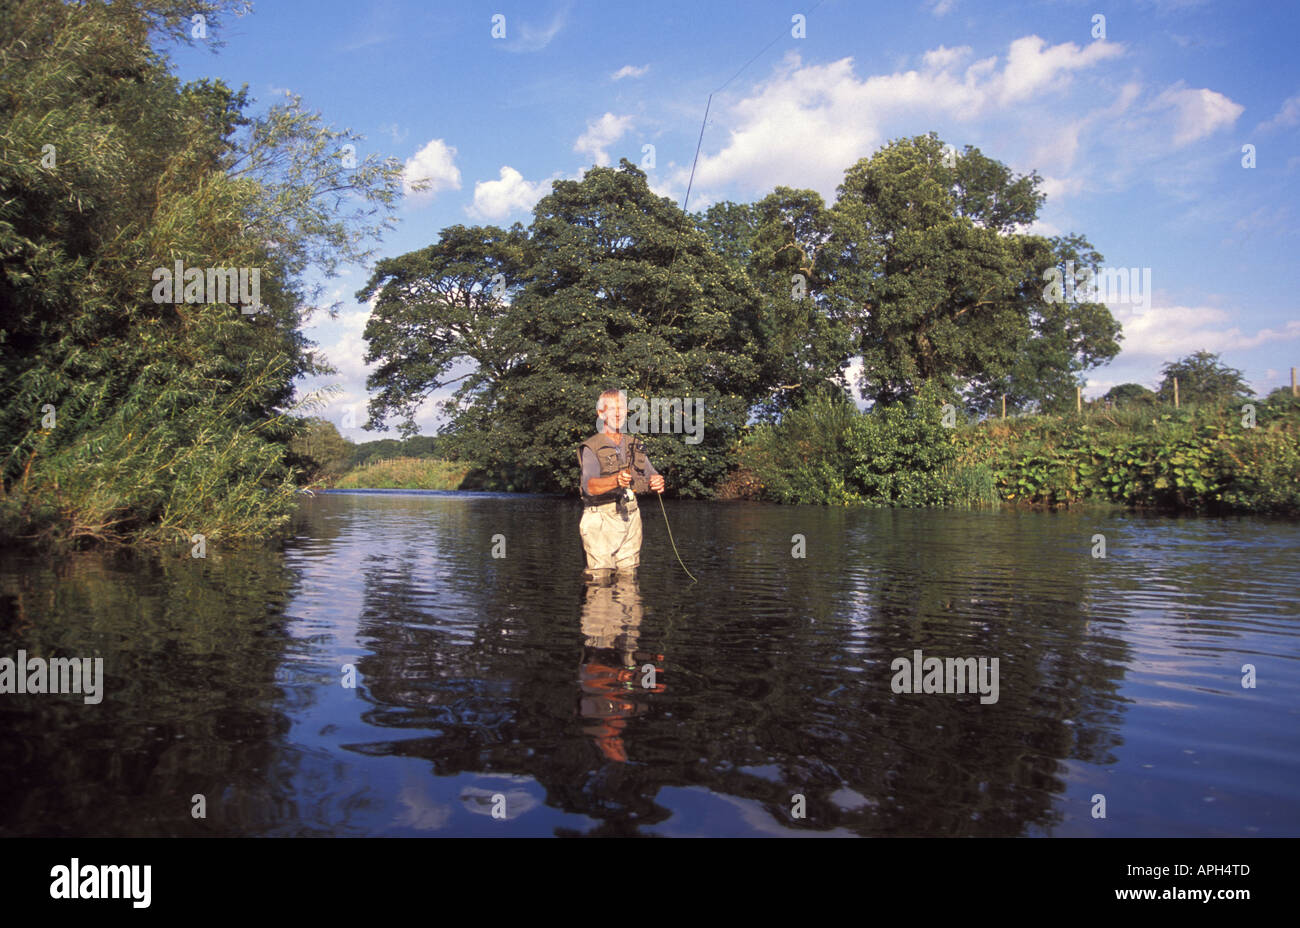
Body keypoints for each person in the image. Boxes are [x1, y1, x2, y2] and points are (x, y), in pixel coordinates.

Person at [578, 388, 666, 577]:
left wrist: (657, 481)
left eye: (622, 408)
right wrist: (615, 480)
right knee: (599, 583)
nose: (617, 413)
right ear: (601, 414)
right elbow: (589, 486)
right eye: (611, 409)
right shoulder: (591, 447)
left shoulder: (636, 444)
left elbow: (651, 474)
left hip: (631, 518)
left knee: (629, 580)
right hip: (600, 521)